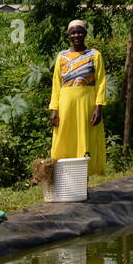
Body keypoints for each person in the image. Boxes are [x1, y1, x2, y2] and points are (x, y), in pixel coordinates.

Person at [48, 19, 106, 174]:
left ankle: (83, 178)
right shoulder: (62, 56)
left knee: (86, 140)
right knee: (63, 141)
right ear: (68, 35)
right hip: (65, 106)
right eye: (73, 32)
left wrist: (98, 107)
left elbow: (100, 82)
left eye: (80, 31)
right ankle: (63, 176)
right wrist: (54, 109)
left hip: (87, 106)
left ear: (86, 33)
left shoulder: (95, 55)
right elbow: (56, 84)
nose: (77, 35)